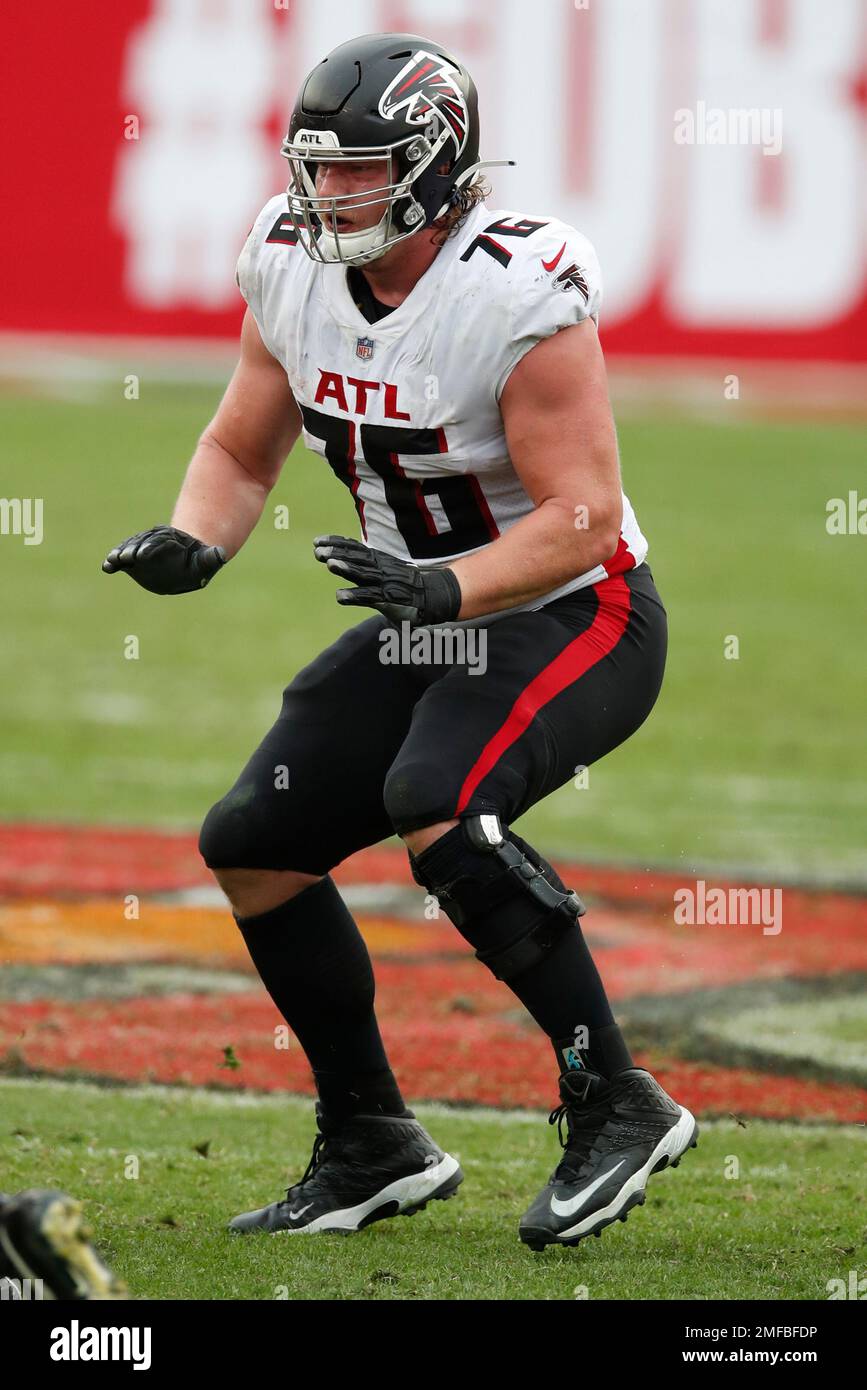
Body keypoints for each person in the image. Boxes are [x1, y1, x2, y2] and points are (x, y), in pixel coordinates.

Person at [103, 32, 697, 1249]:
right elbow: (238, 446)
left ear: (433, 166)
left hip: (578, 609)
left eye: (360, 172)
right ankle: (372, 1136)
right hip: (431, 611)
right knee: (254, 838)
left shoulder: (511, 288)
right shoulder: (291, 266)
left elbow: (582, 520)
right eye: (319, 171)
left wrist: (441, 587)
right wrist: (194, 540)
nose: (328, 198)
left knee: (440, 800)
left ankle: (614, 1097)